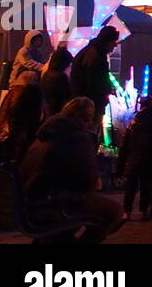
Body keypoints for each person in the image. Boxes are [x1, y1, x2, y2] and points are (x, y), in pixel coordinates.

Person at [19, 97, 125, 243]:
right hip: (55, 201)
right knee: (115, 212)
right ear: (87, 118)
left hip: (32, 199)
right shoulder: (79, 137)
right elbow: (87, 180)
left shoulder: (45, 134)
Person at [116, 96, 152, 220]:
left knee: (131, 187)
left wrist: (119, 167)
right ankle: (144, 210)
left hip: (133, 159)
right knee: (146, 186)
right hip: (149, 160)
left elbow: (124, 148)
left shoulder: (132, 127)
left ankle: (127, 211)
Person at [71, 25, 120, 131]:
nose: (115, 45)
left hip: (89, 103)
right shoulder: (94, 55)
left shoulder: (93, 52)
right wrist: (101, 98)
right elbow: (92, 82)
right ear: (107, 41)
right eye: (113, 42)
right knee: (89, 133)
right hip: (90, 105)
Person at [39, 47, 74, 117]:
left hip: (48, 109)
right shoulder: (60, 77)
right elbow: (68, 94)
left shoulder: (46, 73)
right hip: (59, 110)